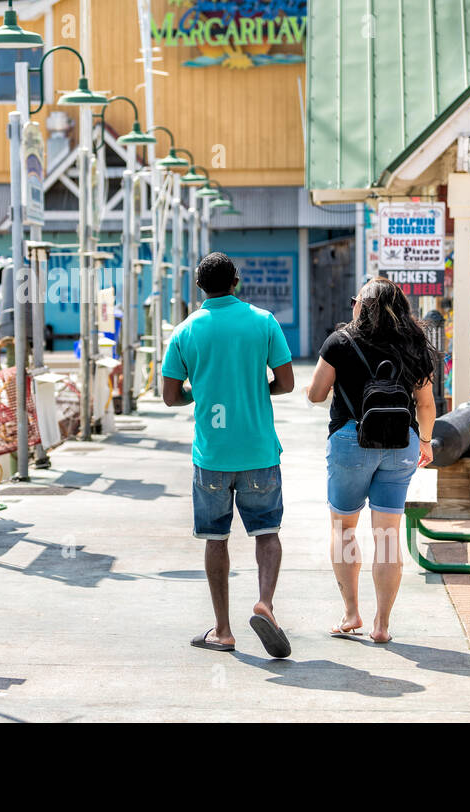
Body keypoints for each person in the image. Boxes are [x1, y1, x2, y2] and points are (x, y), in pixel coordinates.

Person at [162, 252, 295, 658]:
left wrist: (197, 392)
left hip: (212, 458)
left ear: (199, 287)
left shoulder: (185, 332)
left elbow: (170, 397)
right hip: (258, 451)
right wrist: (255, 391)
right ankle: (265, 604)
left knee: (215, 540)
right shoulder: (263, 321)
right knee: (266, 533)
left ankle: (223, 630)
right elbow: (286, 383)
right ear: (236, 281)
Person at [305, 277, 437, 644]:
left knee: (344, 529)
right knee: (388, 536)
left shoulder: (340, 342)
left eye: (354, 301)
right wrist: (425, 442)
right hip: (402, 444)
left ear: (362, 306)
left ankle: (351, 614)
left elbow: (316, 395)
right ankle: (382, 625)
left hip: (350, 441)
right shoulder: (414, 344)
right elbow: (426, 405)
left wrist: (315, 388)